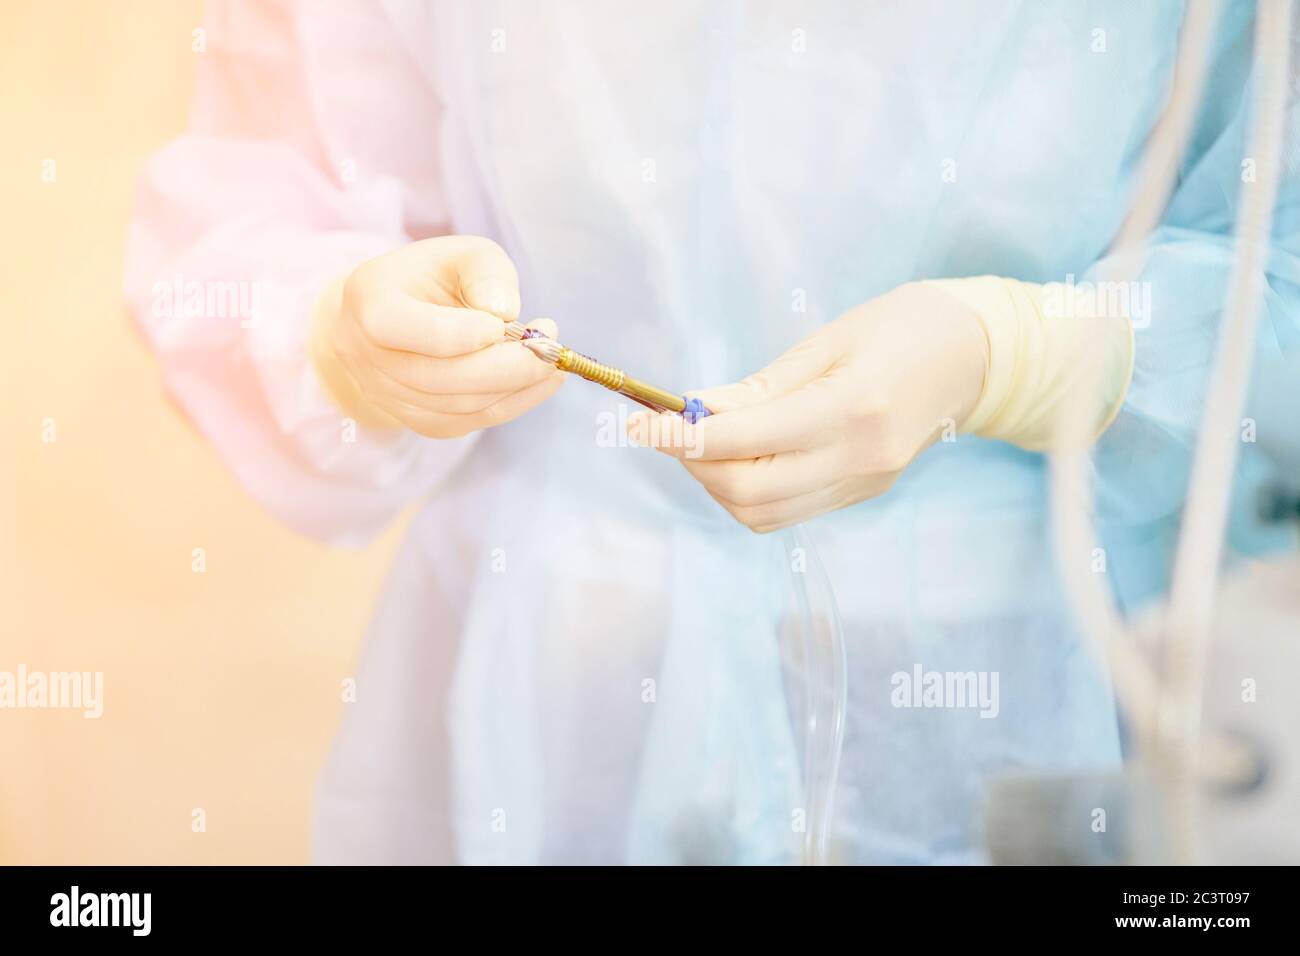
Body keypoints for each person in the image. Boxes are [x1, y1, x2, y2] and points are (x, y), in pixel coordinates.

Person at [125, 1, 1299, 864]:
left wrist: (1032, 355)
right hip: (549, 680)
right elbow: (255, 191)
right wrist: (338, 322)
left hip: (1025, 693)